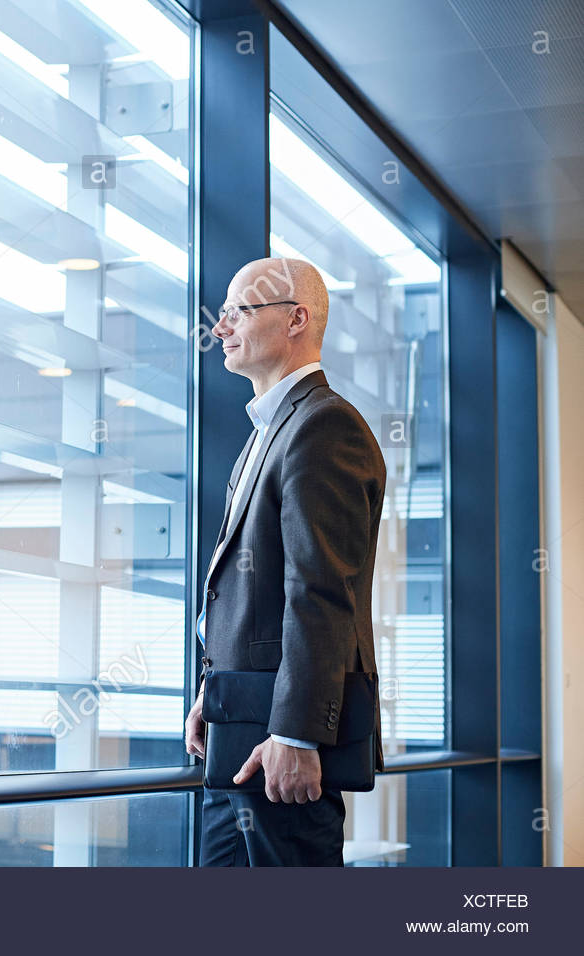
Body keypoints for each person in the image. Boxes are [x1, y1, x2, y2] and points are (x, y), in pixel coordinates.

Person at [184, 257, 387, 866]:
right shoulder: (269, 431)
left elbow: (320, 591)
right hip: (243, 734)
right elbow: (256, 600)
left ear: (296, 318)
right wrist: (213, 693)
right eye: (220, 315)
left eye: (237, 312)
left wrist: (297, 735)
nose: (219, 328)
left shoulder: (325, 426)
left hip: (281, 750)